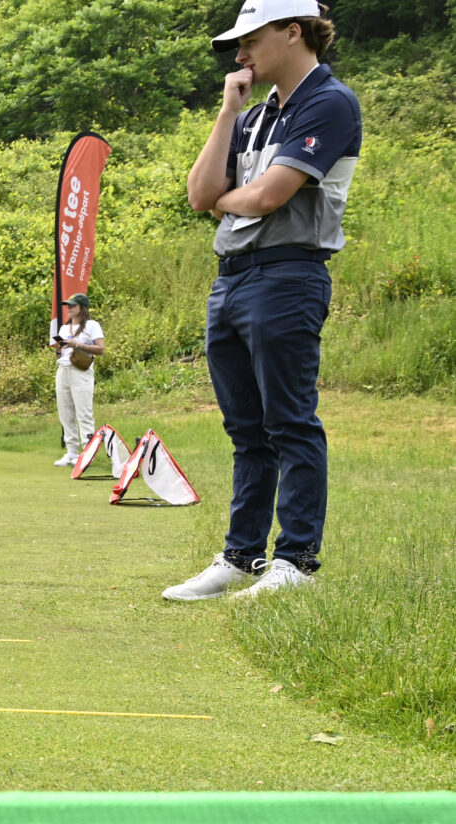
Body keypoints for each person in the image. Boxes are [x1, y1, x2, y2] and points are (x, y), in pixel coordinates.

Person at [168, 0, 356, 601]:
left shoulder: (329, 102)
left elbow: (268, 196)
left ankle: (295, 560)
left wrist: (227, 199)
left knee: (290, 422)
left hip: (289, 274)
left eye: (251, 38)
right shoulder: (253, 117)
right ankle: (241, 556)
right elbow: (199, 193)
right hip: (231, 279)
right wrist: (228, 111)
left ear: (293, 32)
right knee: (247, 430)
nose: (241, 53)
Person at [49, 293, 105, 465]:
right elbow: (59, 355)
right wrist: (58, 348)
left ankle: (88, 453)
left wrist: (77, 345)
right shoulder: (64, 328)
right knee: (65, 412)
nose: (69, 308)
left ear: (82, 307)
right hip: (63, 369)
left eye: (73, 305)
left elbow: (100, 349)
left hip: (81, 371)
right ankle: (72, 452)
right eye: (68, 305)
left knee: (84, 412)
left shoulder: (92, 325)